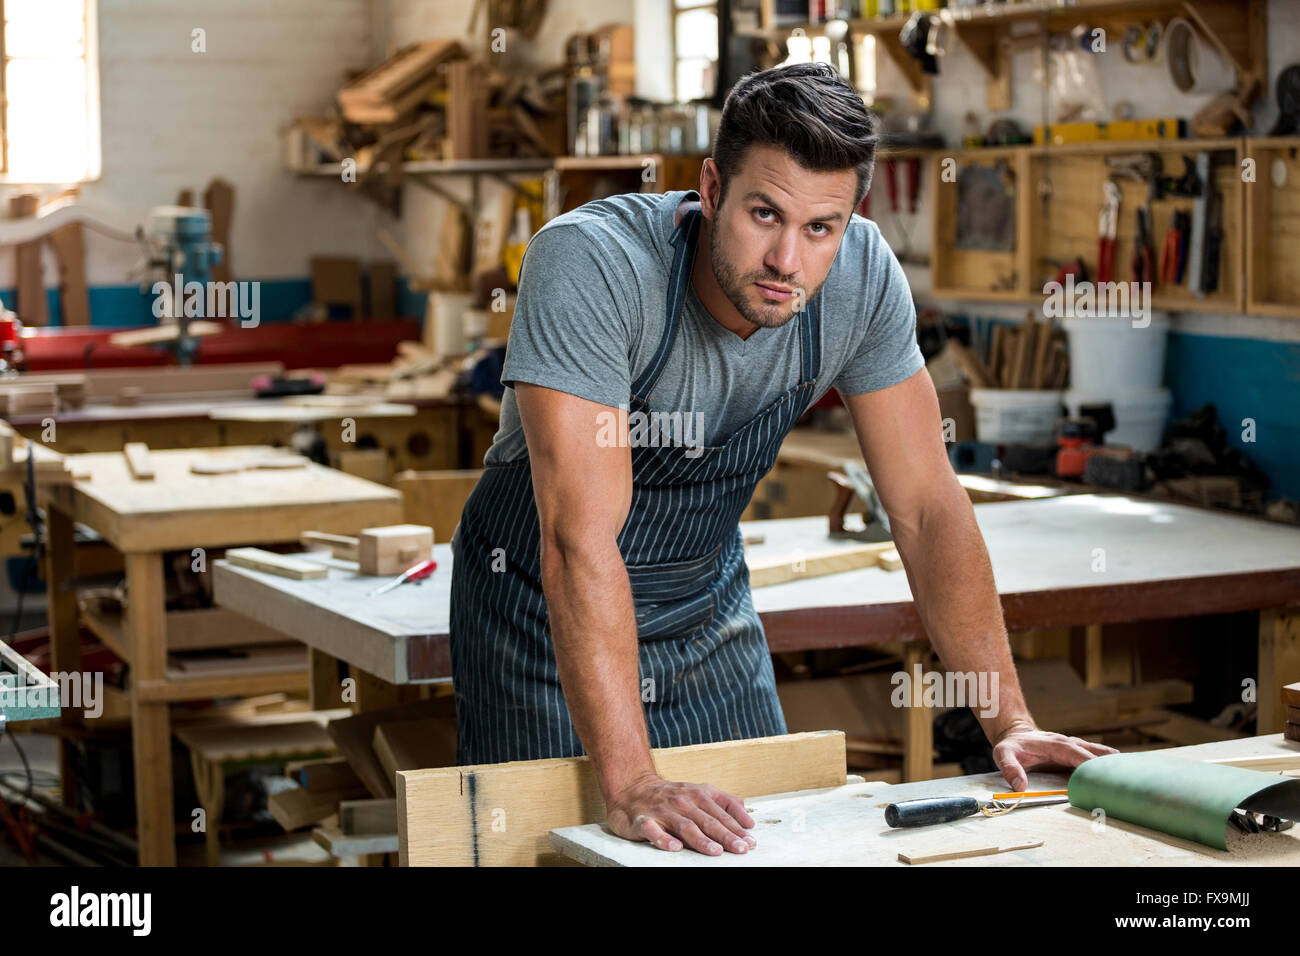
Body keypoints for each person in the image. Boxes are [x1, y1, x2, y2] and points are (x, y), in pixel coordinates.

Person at [449, 62, 1116, 857]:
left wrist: (1012, 722)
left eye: (820, 228)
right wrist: (629, 784)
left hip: (703, 611)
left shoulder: (861, 278)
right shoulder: (591, 265)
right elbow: (577, 539)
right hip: (540, 618)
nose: (787, 262)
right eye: (765, 214)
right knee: (568, 852)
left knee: (762, 848)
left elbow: (929, 508)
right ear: (711, 187)